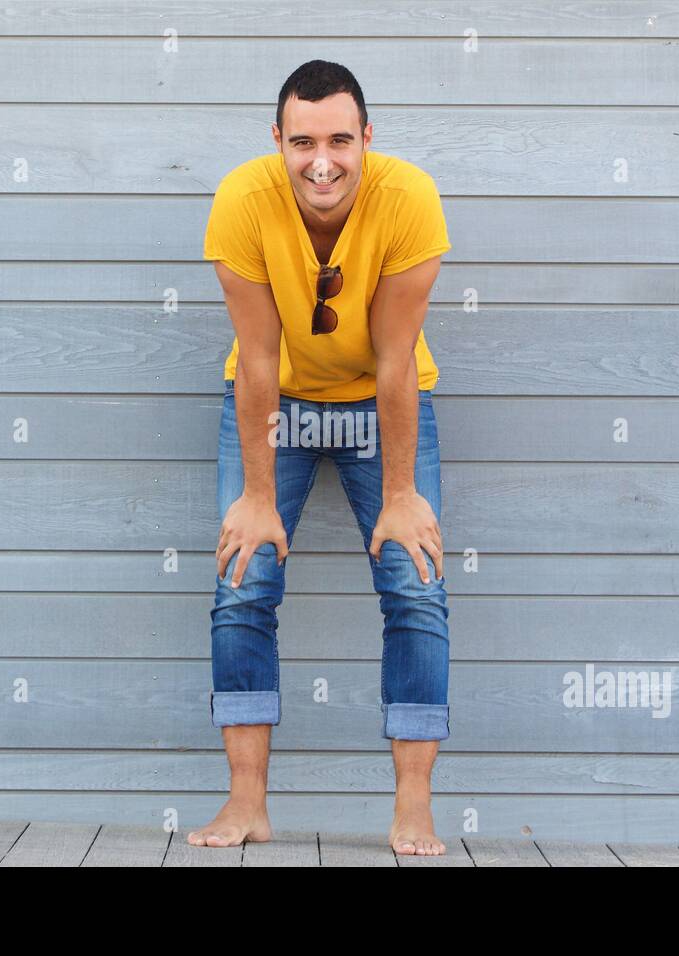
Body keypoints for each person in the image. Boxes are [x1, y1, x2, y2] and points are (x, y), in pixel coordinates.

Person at [191, 59, 451, 856]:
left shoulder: (410, 199)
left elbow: (396, 362)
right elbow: (257, 360)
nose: (323, 161)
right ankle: (247, 804)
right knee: (243, 578)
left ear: (367, 136)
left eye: (340, 139)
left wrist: (401, 495)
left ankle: (413, 808)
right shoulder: (242, 201)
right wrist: (257, 497)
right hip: (277, 402)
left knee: (415, 582)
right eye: (303, 143)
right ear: (278, 140)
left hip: (381, 400)